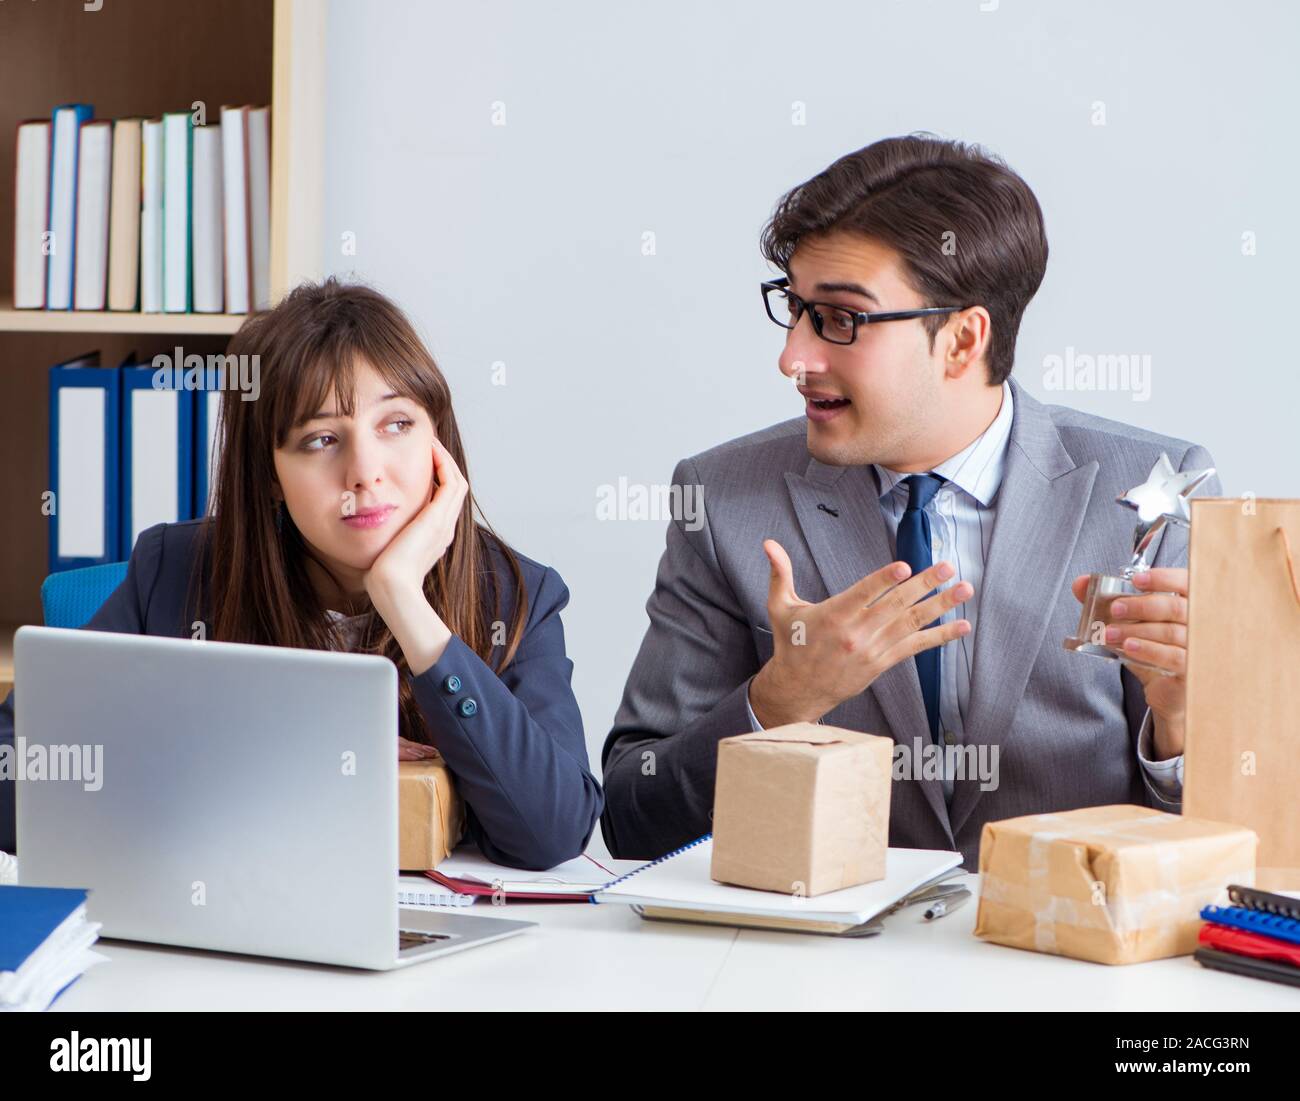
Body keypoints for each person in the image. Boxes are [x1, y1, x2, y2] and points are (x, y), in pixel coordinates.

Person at [601, 134, 1217, 868]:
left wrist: (1180, 726)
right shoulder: (726, 500)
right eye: (793, 308)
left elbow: (1229, 845)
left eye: (839, 318)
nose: (793, 357)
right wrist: (779, 701)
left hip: (1065, 963)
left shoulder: (1152, 491)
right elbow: (630, 815)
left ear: (962, 340)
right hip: (814, 973)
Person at [0, 279, 602, 869]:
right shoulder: (174, 573)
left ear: (437, 441)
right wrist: (271, 756)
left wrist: (404, 603)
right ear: (269, 474)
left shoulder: (514, 596)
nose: (365, 471)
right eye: (320, 439)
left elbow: (553, 830)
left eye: (396, 424)